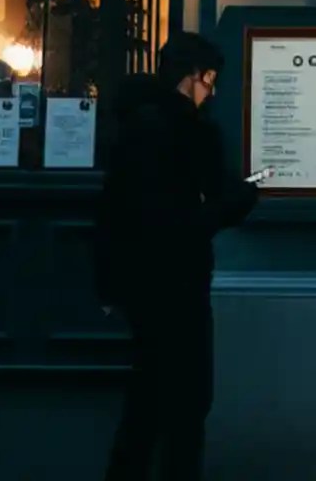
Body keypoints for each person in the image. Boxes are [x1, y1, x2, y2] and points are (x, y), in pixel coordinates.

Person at [94, 32, 259, 481]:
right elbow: (190, 220)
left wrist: (109, 286)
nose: (213, 88)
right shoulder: (192, 130)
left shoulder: (128, 126)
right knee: (189, 401)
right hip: (180, 282)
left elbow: (112, 212)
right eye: (210, 78)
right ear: (190, 78)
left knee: (145, 402)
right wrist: (240, 199)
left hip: (138, 286)